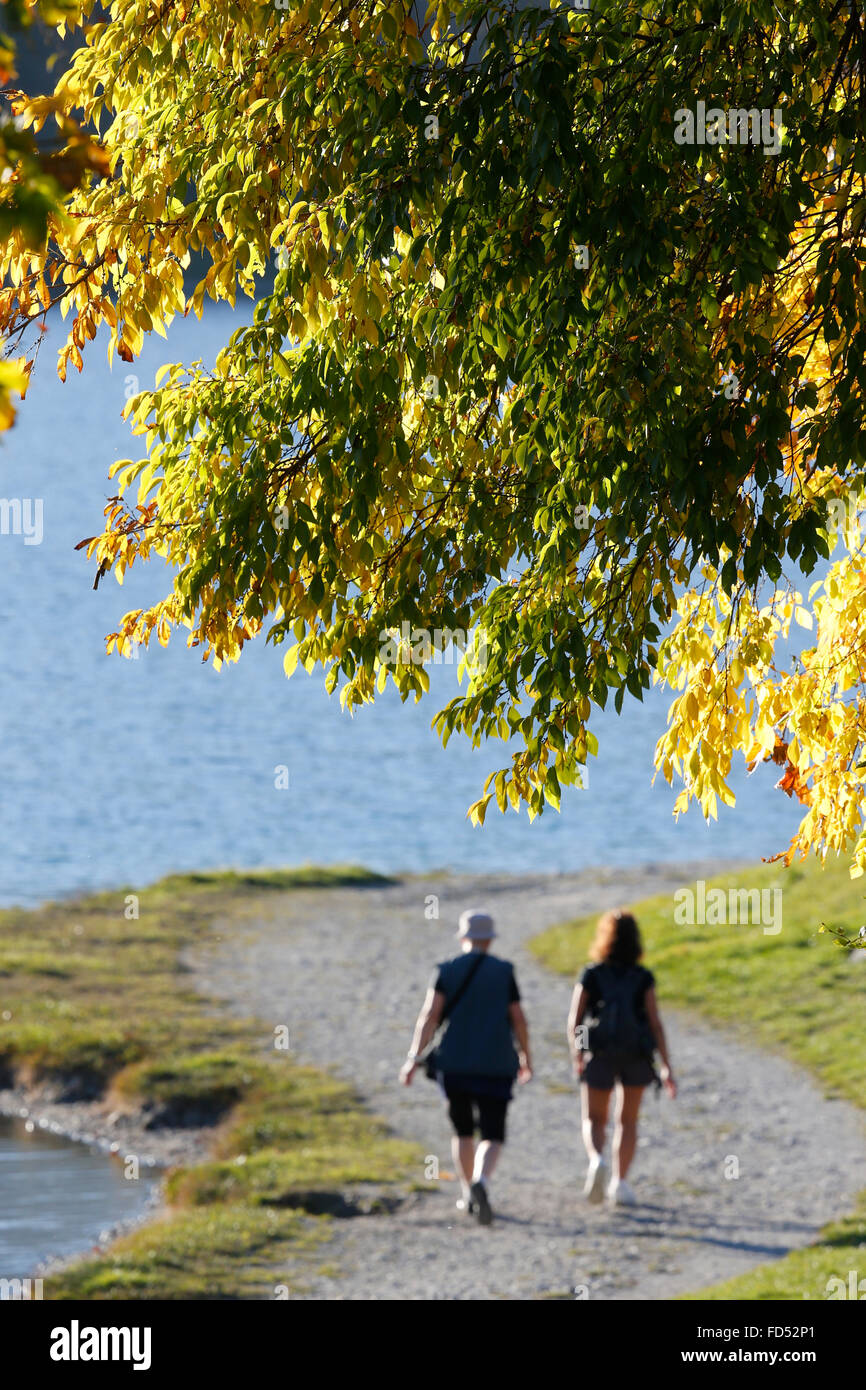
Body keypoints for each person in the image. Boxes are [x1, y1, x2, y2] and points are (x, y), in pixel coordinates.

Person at [399, 909, 532, 1225]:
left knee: (462, 1130)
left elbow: (429, 1016)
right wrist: (527, 1056)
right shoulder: (504, 971)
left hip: (454, 1062)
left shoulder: (446, 970)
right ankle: (481, 1181)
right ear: (490, 940)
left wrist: (413, 1058)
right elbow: (518, 1019)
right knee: (493, 1131)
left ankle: (465, 1190)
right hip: (497, 1063)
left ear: (463, 937)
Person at [567, 908, 676, 1208]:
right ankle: (620, 1182)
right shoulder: (643, 977)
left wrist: (579, 1052)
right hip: (636, 1055)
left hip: (599, 1053)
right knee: (627, 1121)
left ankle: (596, 1160)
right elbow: (655, 1022)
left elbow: (575, 1020)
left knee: (594, 1118)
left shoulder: (591, 974)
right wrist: (665, 1065)